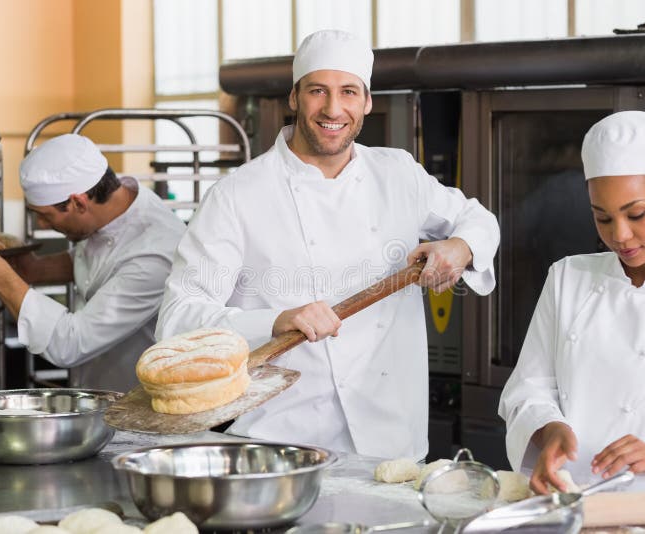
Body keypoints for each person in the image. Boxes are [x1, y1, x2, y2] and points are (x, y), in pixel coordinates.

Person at [156, 29, 500, 459]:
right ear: (295, 97)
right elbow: (177, 319)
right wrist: (275, 320)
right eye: (318, 91)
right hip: (281, 437)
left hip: (392, 434)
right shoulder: (238, 195)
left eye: (348, 92)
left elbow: (478, 218)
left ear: (367, 101)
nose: (333, 109)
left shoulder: (398, 174)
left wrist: (462, 246)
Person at [499, 111, 645, 498]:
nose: (620, 235)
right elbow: (528, 389)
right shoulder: (568, 278)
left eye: (636, 214)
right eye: (602, 218)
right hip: (569, 499)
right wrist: (548, 429)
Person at [0, 134, 186, 392]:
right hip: (99, 395)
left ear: (78, 202)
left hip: (141, 409)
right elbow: (105, 259)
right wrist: (36, 269)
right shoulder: (119, 205)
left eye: (45, 216)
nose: (41, 225)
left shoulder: (156, 253)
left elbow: (70, 343)